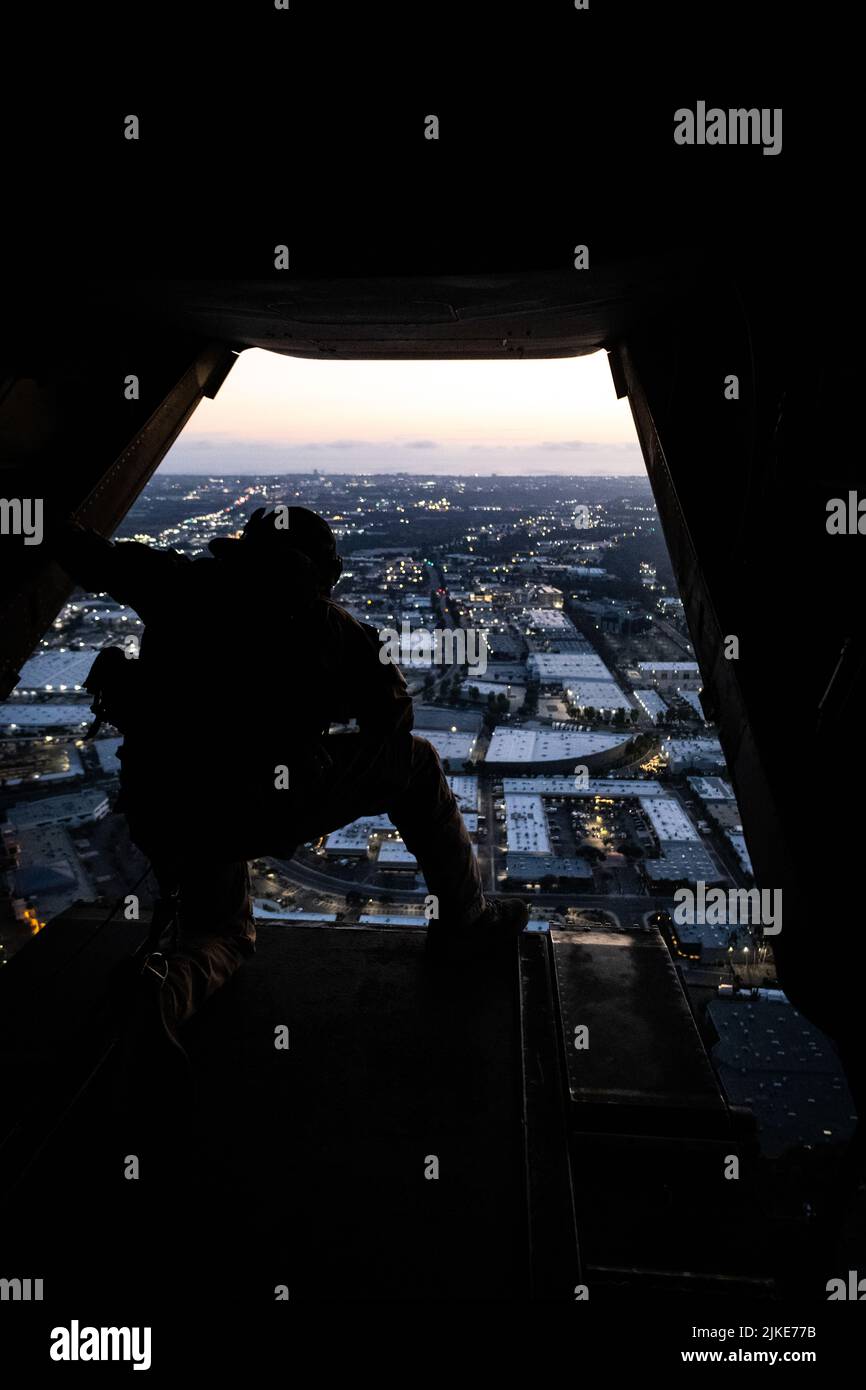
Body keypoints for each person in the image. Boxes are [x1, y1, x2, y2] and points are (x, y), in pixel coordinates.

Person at [53, 507, 528, 1085]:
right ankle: (465, 926)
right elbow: (392, 723)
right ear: (321, 570)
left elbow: (84, 552)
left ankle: (170, 990)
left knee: (221, 931)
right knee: (419, 764)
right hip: (255, 806)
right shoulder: (334, 631)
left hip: (168, 806)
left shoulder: (175, 582)